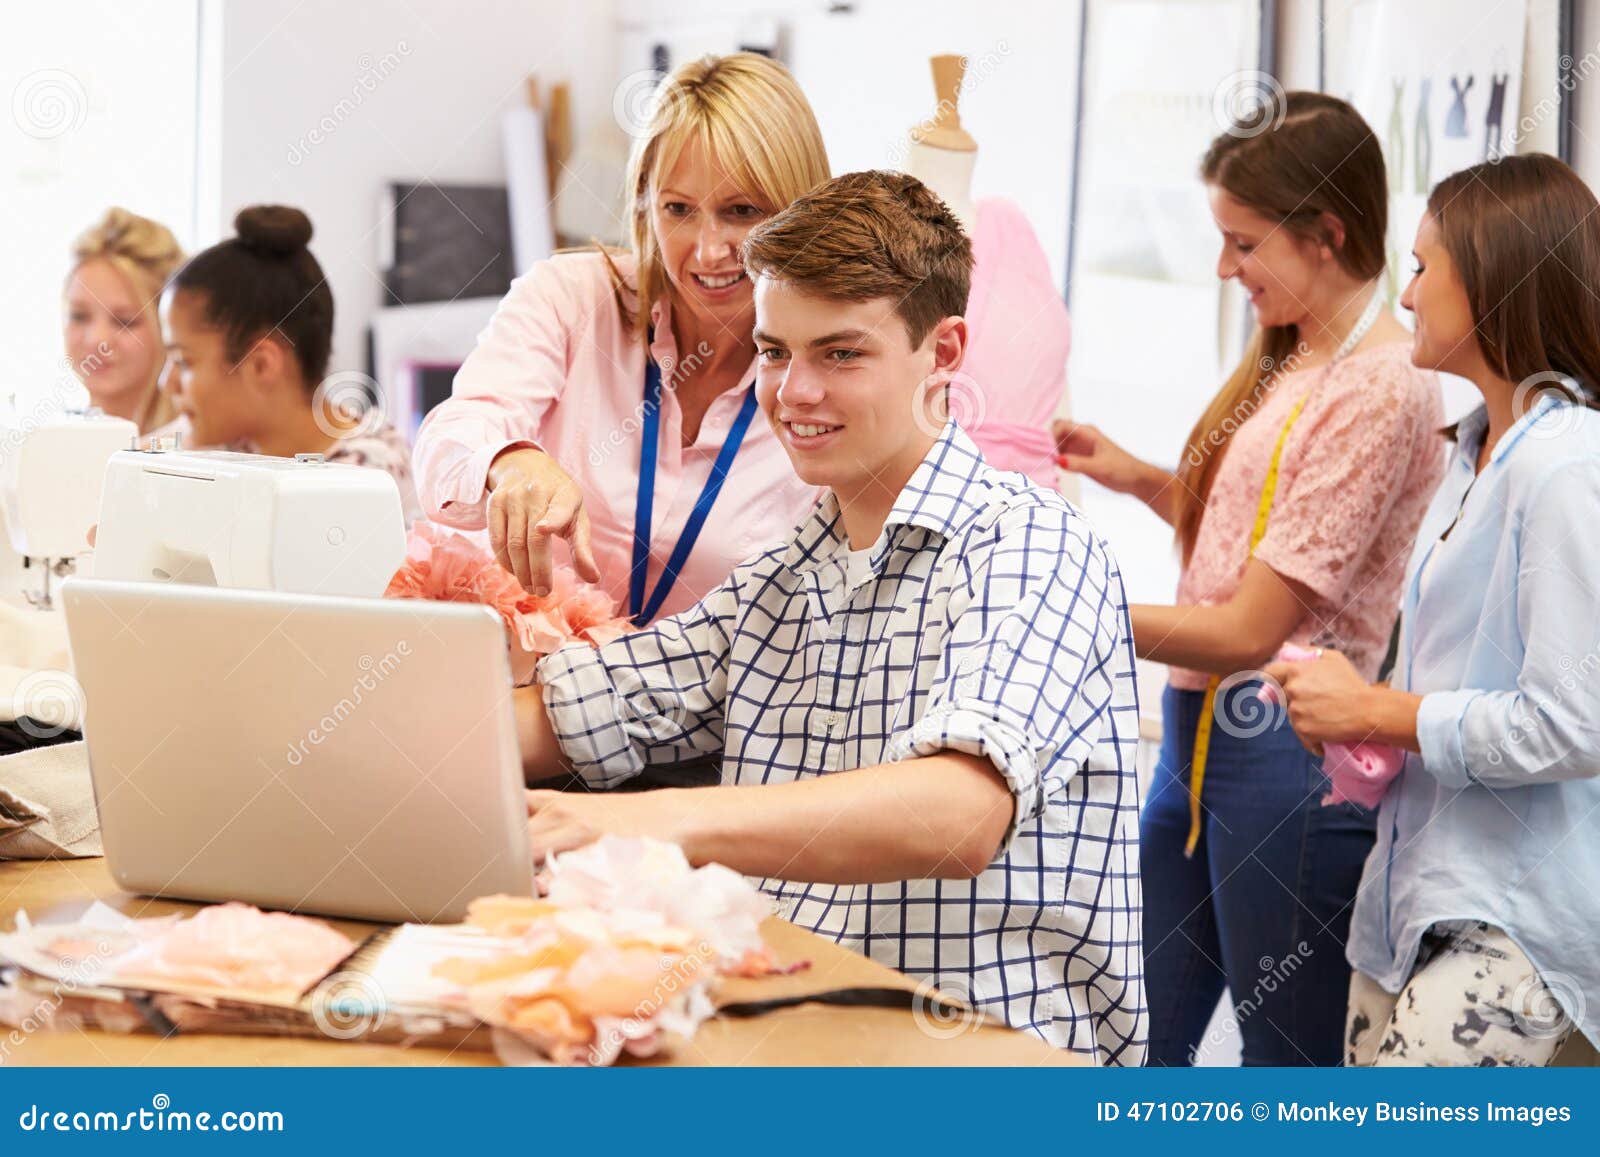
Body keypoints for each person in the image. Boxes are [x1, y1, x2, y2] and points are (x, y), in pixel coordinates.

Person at [510, 172, 1146, 1064]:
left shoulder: (1031, 547)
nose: (794, 391)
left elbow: (957, 813)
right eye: (774, 352)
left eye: (840, 354)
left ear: (947, 350)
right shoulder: (782, 578)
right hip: (798, 1046)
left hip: (985, 1075)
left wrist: (653, 821)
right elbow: (574, 713)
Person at [1055, 92, 1445, 1065]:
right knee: (1142, 1039)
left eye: (1242, 243)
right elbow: (1253, 542)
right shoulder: (1293, 360)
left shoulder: (1377, 386)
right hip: (1193, 742)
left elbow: (1245, 629)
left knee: (1281, 1066)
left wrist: (1055, 604)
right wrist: (1137, 474)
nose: (1225, 269)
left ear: (1325, 234)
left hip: (1279, 751)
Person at [1268, 155, 1600, 1067]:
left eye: (1422, 268)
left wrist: (1380, 711)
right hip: (1411, 906)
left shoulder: (1565, 465)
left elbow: (1576, 723)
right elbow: (1457, 690)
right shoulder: (1477, 450)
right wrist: (1349, 720)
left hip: (1510, 925)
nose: (1406, 297)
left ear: (1494, 277)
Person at [413, 53, 830, 619]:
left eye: (741, 211)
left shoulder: (826, 377)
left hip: (698, 705)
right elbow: (449, 441)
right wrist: (508, 461)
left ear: (800, 212)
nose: (708, 250)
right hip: (526, 687)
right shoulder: (572, 298)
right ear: (644, 204)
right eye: (678, 209)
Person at [161, 205, 421, 523]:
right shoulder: (232, 437)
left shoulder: (365, 478)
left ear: (260, 365)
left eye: (183, 362)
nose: (167, 383)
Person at [63, 207, 185, 438]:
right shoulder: (49, 442)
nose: (97, 339)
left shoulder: (198, 454)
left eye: (124, 322)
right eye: (79, 316)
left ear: (168, 329)